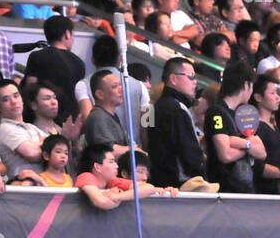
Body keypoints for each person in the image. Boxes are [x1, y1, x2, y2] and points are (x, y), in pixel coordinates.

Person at [148, 57, 206, 188]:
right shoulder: (175, 108)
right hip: (181, 184)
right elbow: (188, 153)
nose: (195, 82)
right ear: (173, 79)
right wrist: (201, 171)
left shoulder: (156, 107)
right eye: (191, 77)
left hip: (163, 181)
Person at [75, 143, 168, 209]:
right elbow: (101, 202)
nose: (117, 166)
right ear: (97, 167)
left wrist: (118, 196)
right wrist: (116, 198)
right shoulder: (86, 176)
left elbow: (149, 188)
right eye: (111, 162)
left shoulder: (112, 181)